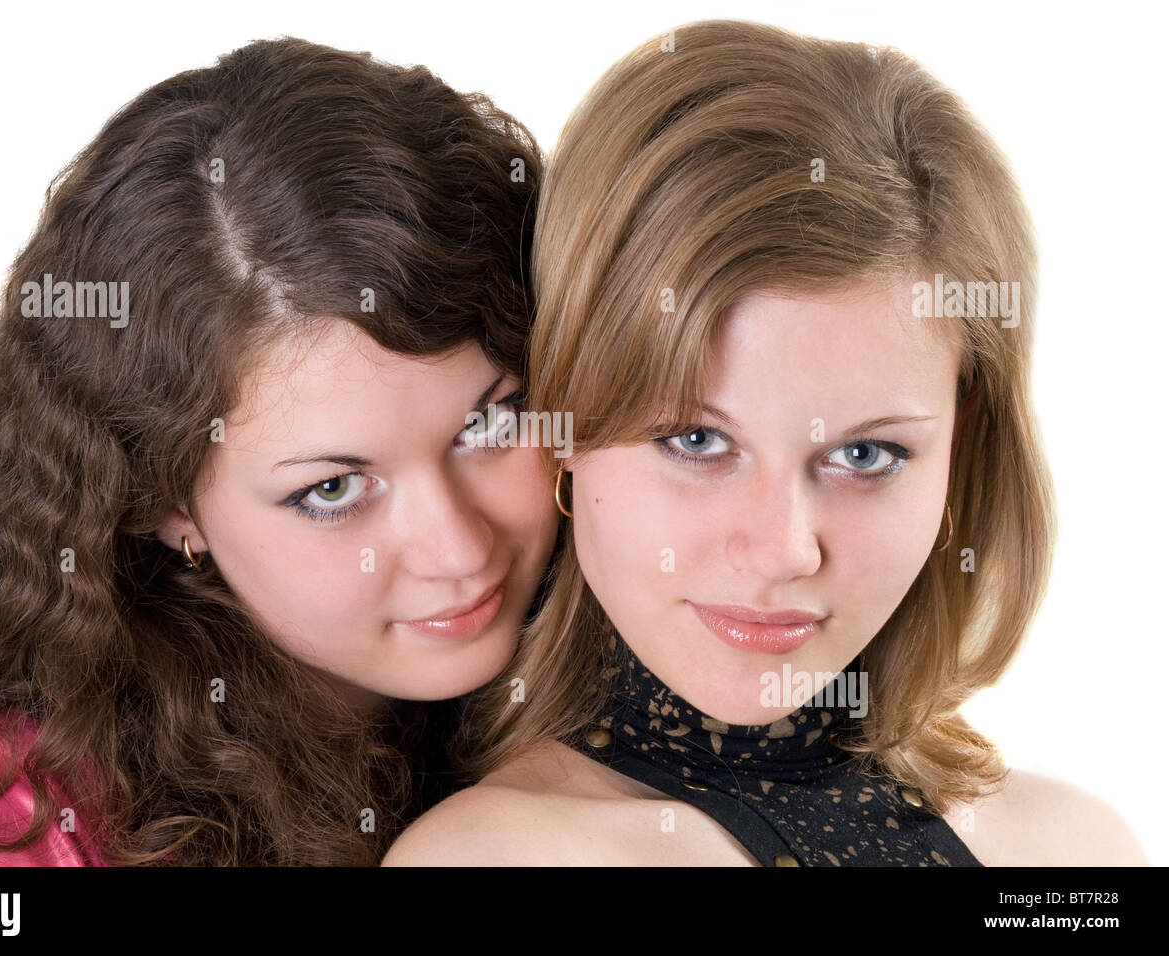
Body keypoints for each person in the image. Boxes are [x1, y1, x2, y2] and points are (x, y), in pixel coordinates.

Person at [383, 19, 1148, 866]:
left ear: (961, 443)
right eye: (696, 440)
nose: (783, 551)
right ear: (564, 417)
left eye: (867, 456)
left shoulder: (1079, 852)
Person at [0, 36, 558, 866]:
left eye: (489, 425)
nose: (460, 549)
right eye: (335, 488)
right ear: (167, 503)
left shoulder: (654, 658)